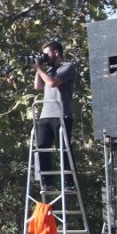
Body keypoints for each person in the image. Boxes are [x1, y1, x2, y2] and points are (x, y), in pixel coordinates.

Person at [33, 40, 77, 192]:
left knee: (63, 148)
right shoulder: (48, 71)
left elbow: (52, 83)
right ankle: (47, 182)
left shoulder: (67, 67)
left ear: (56, 52)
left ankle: (68, 181)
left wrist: (40, 68)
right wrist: (38, 69)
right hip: (45, 114)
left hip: (62, 114)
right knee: (42, 148)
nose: (44, 57)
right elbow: (38, 87)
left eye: (47, 53)